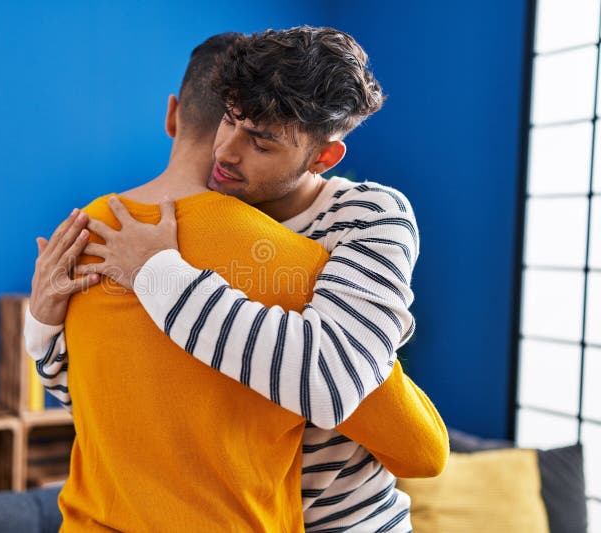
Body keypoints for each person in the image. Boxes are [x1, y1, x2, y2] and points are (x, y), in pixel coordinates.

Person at [26, 29, 447, 532]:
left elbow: (331, 383)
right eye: (229, 119)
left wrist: (157, 276)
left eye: (261, 142)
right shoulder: (193, 221)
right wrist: (42, 323)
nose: (224, 151)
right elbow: (105, 405)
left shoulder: (369, 216)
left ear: (322, 157)